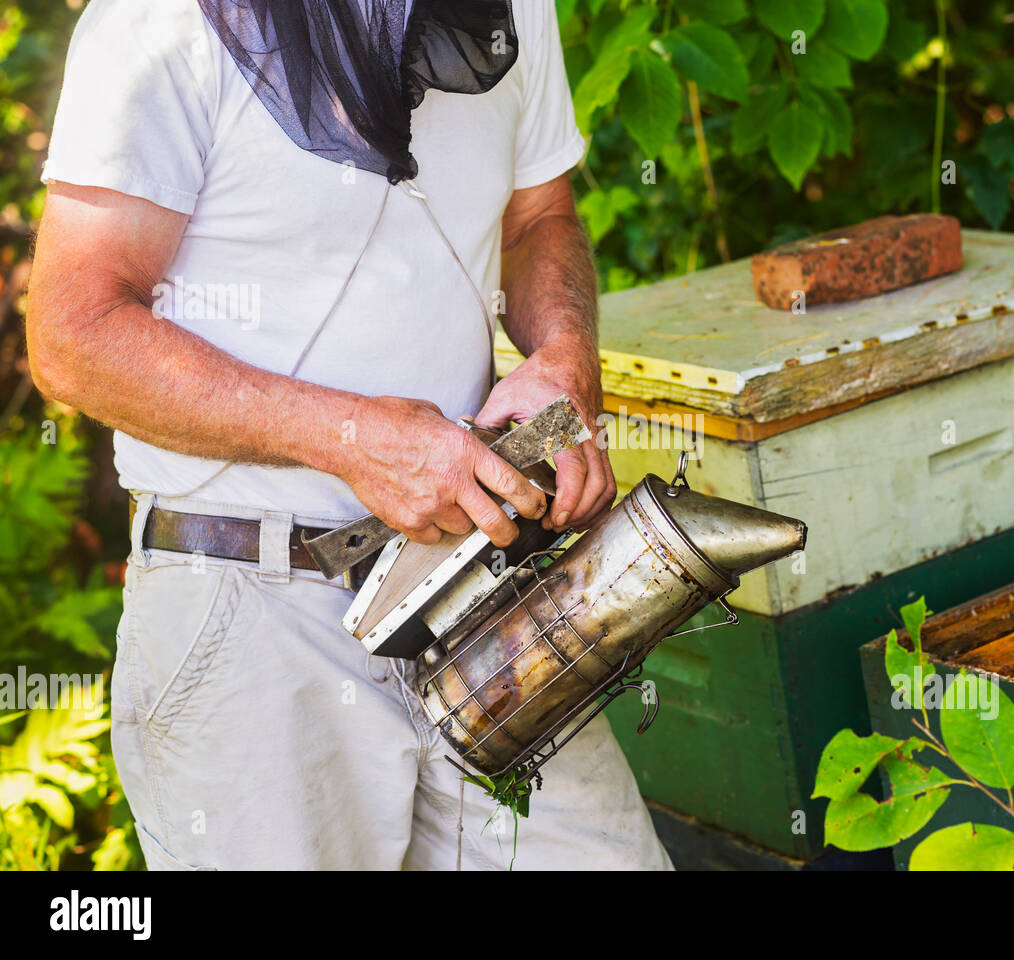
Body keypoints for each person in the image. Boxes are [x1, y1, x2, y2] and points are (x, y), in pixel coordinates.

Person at [26, 0, 671, 871]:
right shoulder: (158, 22)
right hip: (253, 608)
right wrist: (351, 438)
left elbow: (537, 219)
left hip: (476, 588)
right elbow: (73, 335)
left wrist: (564, 357)